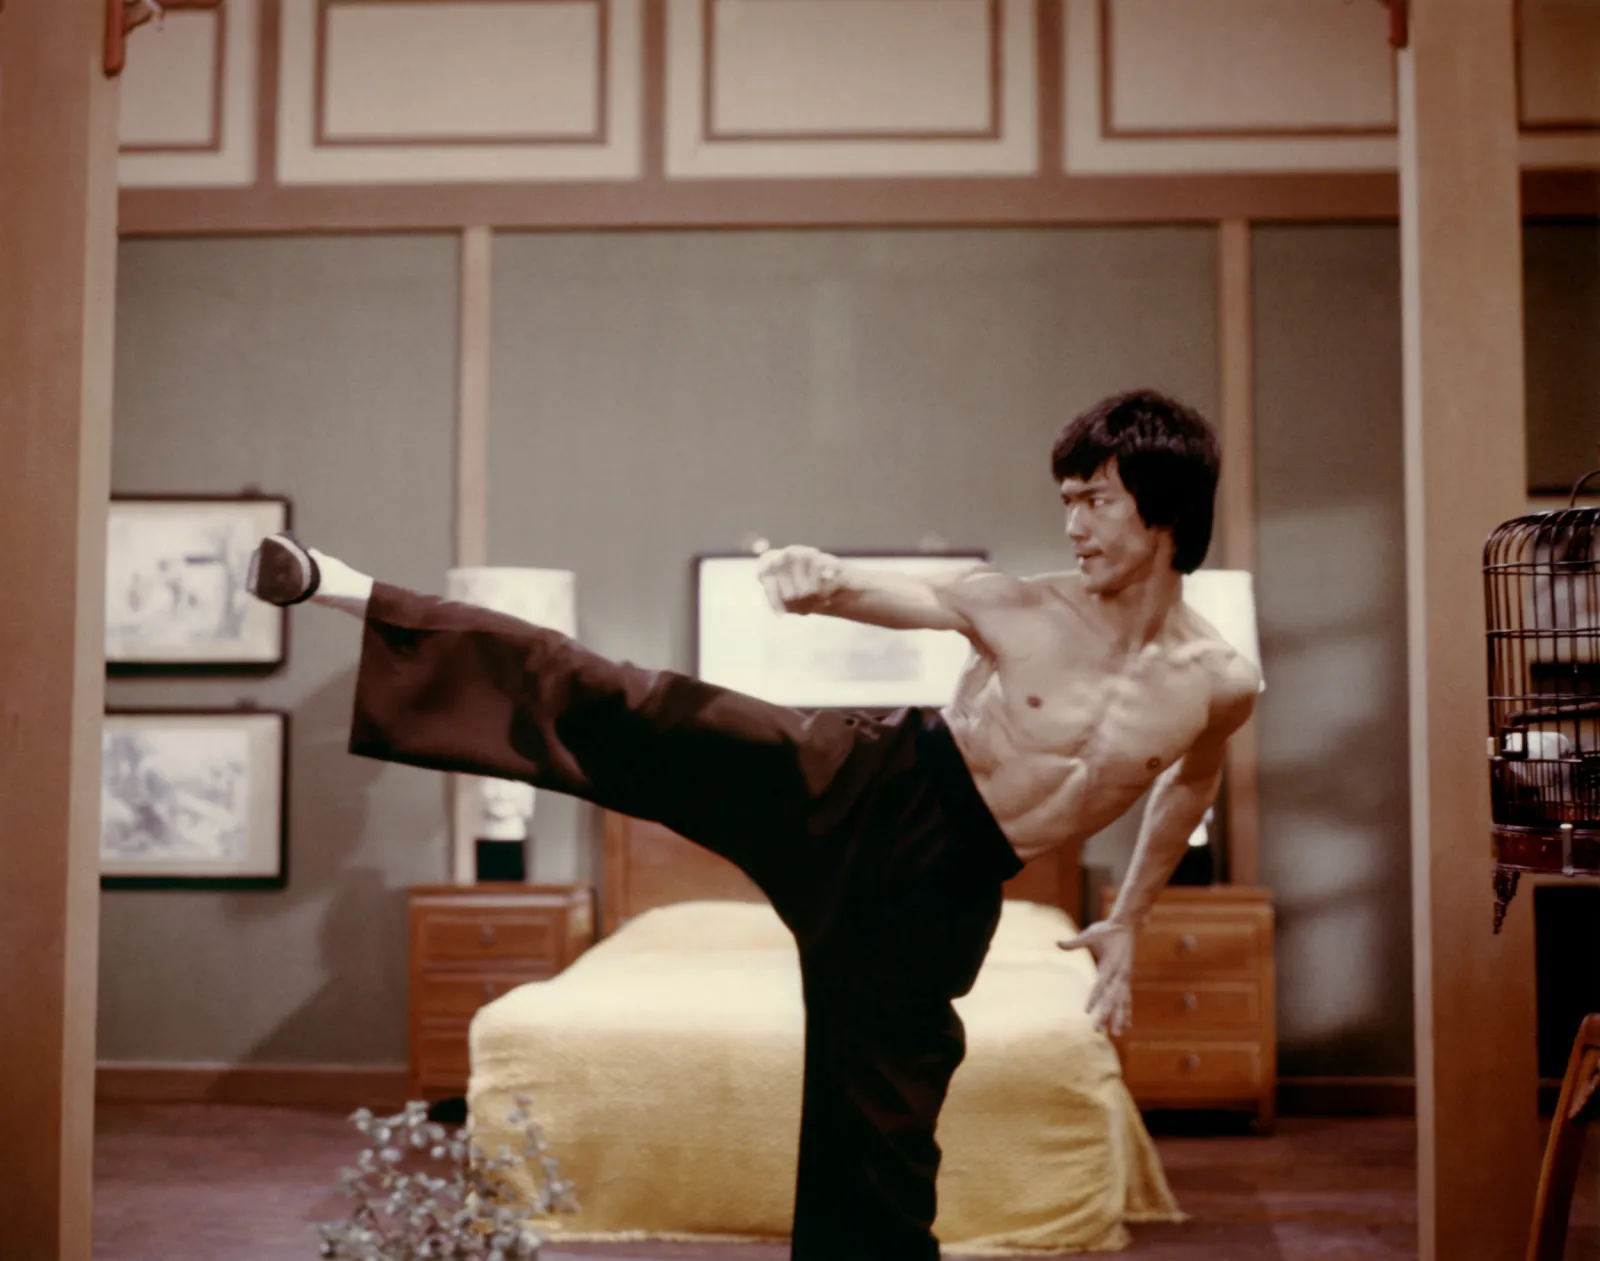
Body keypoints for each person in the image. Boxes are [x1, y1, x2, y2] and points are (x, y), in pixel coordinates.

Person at [245, 388, 1259, 1261]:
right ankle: (352, 589)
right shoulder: (1019, 606)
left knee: (885, 1137)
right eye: (1066, 500)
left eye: (1096, 500)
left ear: (1165, 507)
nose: (1074, 524)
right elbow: (894, 592)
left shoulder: (1218, 681)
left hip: (943, 884)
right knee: (631, 705)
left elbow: (1187, 784)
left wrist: (1128, 917)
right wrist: (822, 580)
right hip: (864, 781)